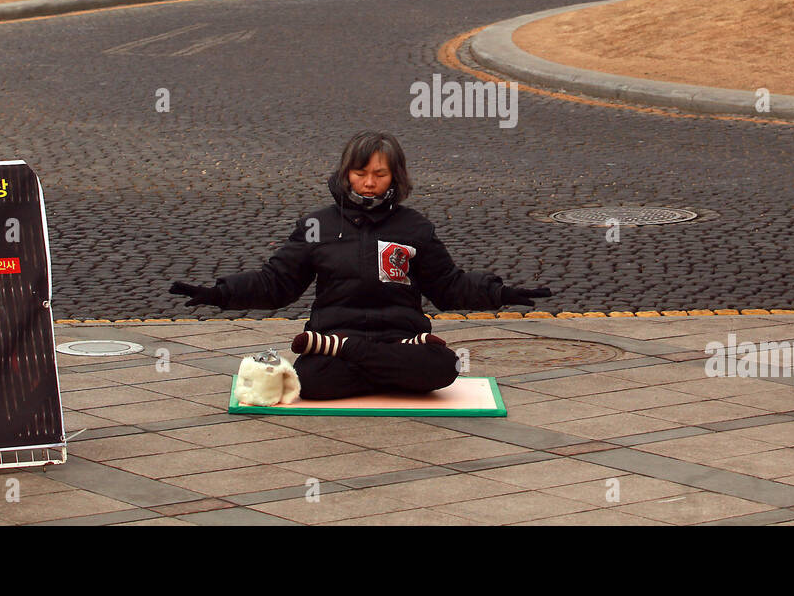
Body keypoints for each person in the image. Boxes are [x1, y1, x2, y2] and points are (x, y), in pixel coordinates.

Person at [169, 131, 553, 400]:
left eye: (380, 174)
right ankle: (382, 370)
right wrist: (220, 293)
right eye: (360, 173)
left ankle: (357, 360)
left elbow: (448, 287)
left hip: (396, 337)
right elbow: (276, 284)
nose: (369, 183)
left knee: (443, 367)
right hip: (340, 333)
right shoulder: (317, 225)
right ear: (345, 173)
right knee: (313, 380)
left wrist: (499, 293)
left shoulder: (414, 226)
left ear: (394, 177)